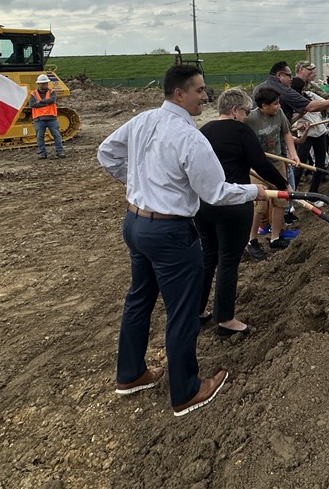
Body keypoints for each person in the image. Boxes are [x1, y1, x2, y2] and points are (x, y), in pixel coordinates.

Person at [97, 66, 266, 417]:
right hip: (170, 233)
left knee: (139, 300)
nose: (206, 96)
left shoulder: (143, 120)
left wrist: (137, 186)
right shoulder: (190, 137)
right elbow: (216, 192)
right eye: (200, 90)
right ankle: (186, 391)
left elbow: (107, 153)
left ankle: (130, 375)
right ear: (180, 94)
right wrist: (255, 190)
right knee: (183, 312)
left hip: (135, 222)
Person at [196, 89, 288, 335]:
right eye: (246, 112)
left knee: (208, 257)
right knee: (228, 261)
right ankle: (225, 320)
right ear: (235, 110)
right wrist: (282, 184)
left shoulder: (204, 131)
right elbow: (260, 164)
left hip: (204, 204)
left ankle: (198, 310)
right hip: (233, 205)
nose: (247, 117)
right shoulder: (241, 130)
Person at [245, 87, 300, 252]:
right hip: (257, 167)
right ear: (263, 106)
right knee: (260, 204)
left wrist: (293, 154)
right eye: (275, 104)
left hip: (277, 164)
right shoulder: (252, 118)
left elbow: (286, 133)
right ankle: (251, 240)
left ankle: (275, 238)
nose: (278, 106)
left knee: (281, 201)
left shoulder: (279, 113)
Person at [254, 61, 329, 119]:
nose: (291, 79)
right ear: (280, 75)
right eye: (289, 76)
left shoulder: (260, 87)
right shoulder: (283, 90)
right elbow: (310, 106)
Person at [29, 74, 65, 159]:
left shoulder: (52, 92)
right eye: (43, 83)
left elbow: (52, 100)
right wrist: (46, 103)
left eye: (46, 83)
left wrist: (40, 101)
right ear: (39, 84)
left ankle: (60, 152)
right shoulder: (33, 94)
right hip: (39, 119)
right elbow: (32, 104)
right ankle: (42, 153)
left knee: (56, 135)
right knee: (40, 137)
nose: (45, 85)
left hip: (51, 118)